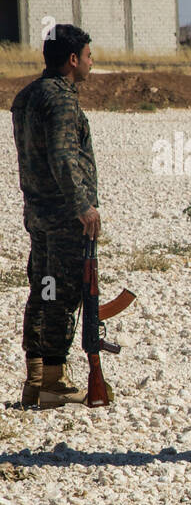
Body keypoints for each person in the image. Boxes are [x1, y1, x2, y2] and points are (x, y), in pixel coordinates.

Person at [12, 24, 100, 408]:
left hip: (38, 213)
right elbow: (64, 158)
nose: (92, 64)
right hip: (64, 215)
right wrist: (83, 206)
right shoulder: (61, 99)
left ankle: (35, 377)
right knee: (62, 294)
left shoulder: (28, 95)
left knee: (43, 287)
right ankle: (54, 379)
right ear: (73, 60)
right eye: (89, 56)